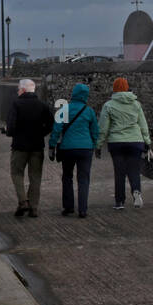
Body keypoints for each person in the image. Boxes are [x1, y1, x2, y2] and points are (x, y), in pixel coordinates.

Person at [96, 77, 151, 210]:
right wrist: (147, 141)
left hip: (117, 142)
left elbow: (103, 128)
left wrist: (98, 145)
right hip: (135, 141)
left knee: (119, 172)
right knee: (134, 170)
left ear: (114, 89)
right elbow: (143, 124)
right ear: (127, 87)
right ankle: (136, 191)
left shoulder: (108, 105)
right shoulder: (136, 104)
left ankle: (119, 201)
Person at [3, 78, 54, 218]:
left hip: (19, 146)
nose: (18, 91)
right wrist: (40, 134)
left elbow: (11, 126)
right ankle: (33, 207)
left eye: (18, 89)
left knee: (16, 173)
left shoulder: (16, 104)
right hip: (37, 146)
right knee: (35, 176)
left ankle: (23, 201)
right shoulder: (42, 105)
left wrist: (10, 133)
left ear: (23, 90)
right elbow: (50, 124)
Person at [48, 82, 99, 218]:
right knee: (83, 179)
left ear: (73, 94)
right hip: (85, 148)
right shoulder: (89, 111)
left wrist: (52, 146)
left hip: (68, 148)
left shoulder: (64, 109)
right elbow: (95, 131)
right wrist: (95, 145)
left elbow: (56, 130)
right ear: (85, 96)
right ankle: (83, 209)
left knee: (67, 177)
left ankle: (69, 207)